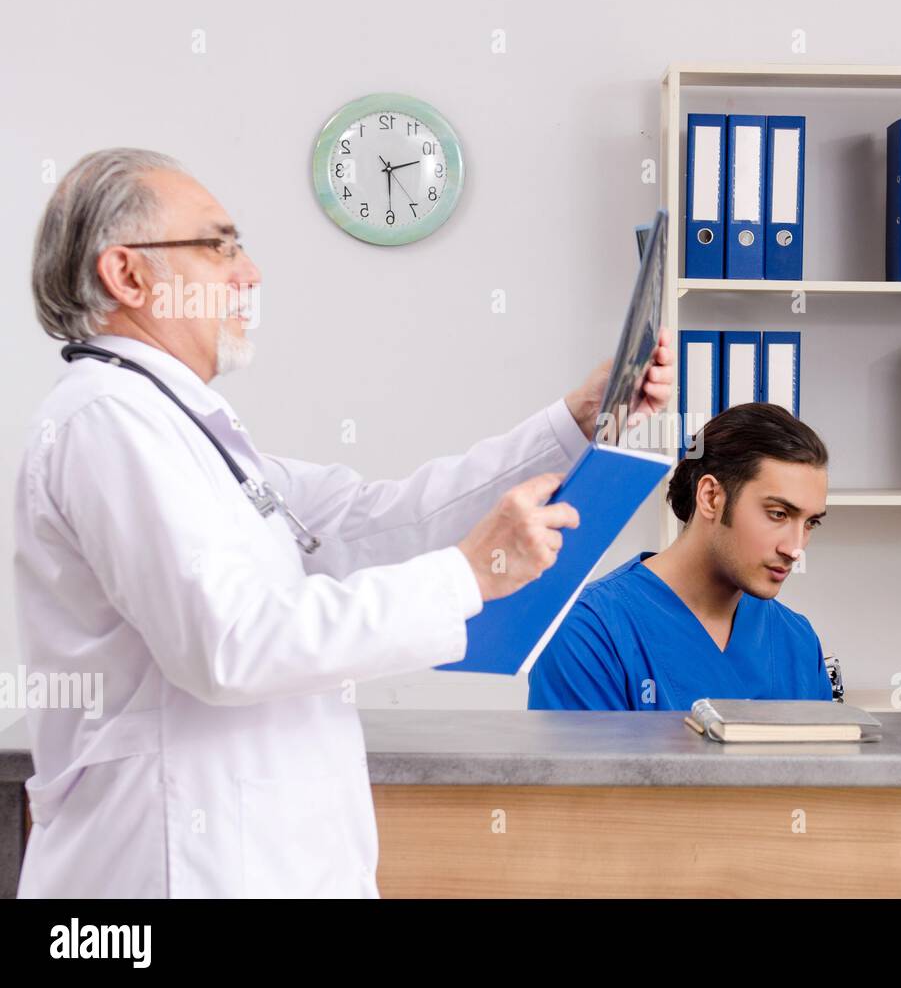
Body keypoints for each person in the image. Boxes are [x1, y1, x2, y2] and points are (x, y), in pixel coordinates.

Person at [14, 148, 674, 897]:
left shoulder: (186, 427)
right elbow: (229, 642)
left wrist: (570, 426)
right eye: (219, 244)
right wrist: (468, 572)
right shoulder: (107, 420)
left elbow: (375, 520)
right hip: (172, 868)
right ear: (128, 275)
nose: (250, 274)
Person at [528, 402, 832, 710]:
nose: (795, 547)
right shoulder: (589, 632)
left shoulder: (798, 643)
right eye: (778, 514)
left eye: (810, 523)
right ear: (711, 497)